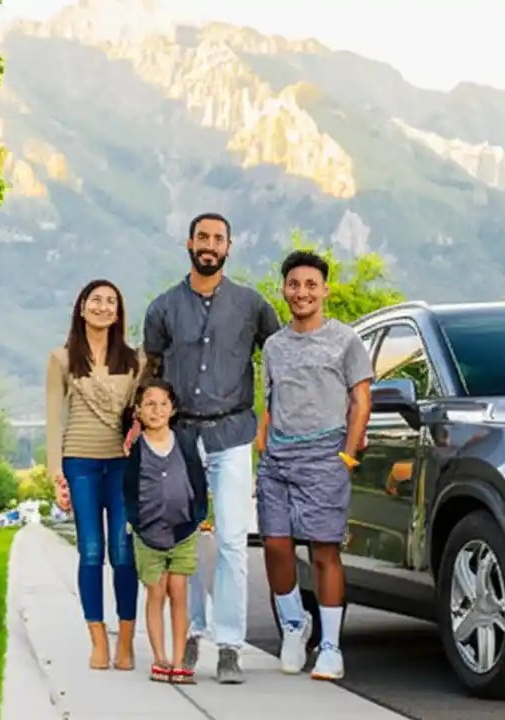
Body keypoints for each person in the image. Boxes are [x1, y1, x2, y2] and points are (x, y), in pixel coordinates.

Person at [138, 212, 282, 684]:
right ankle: (193, 631)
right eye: (202, 237)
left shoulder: (253, 306)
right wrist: (138, 424)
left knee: (233, 542)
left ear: (228, 247)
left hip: (233, 434)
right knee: (186, 541)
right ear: (189, 243)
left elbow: (279, 360)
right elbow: (151, 371)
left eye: (218, 239)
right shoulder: (162, 308)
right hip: (179, 441)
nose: (209, 245)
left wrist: (268, 418)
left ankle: (230, 646)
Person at [256, 249, 373, 681]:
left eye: (310, 285)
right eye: (294, 284)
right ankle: (293, 624)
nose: (301, 292)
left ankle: (329, 647)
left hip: (326, 457)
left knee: (323, 551)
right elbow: (269, 401)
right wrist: (262, 445)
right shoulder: (273, 346)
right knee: (274, 546)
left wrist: (346, 455)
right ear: (284, 289)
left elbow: (361, 400)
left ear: (324, 290)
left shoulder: (345, 340)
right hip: (278, 460)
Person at [46, 279, 144, 671]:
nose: (103, 307)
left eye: (111, 302)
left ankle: (126, 642)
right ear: (82, 307)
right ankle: (98, 641)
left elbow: (140, 416)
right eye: (96, 300)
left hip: (121, 466)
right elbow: (54, 419)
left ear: (118, 313)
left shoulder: (135, 360)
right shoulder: (61, 358)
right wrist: (56, 474)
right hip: (80, 463)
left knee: (123, 553)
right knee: (90, 551)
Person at [122, 378, 209, 685]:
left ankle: (178, 658)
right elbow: (129, 488)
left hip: (183, 530)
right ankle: (159, 657)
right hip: (148, 534)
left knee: (179, 592)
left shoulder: (185, 441)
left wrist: (201, 514)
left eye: (163, 404)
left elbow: (198, 477)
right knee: (156, 591)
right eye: (149, 404)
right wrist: (135, 520)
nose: (156, 410)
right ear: (139, 411)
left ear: (173, 409)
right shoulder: (134, 448)